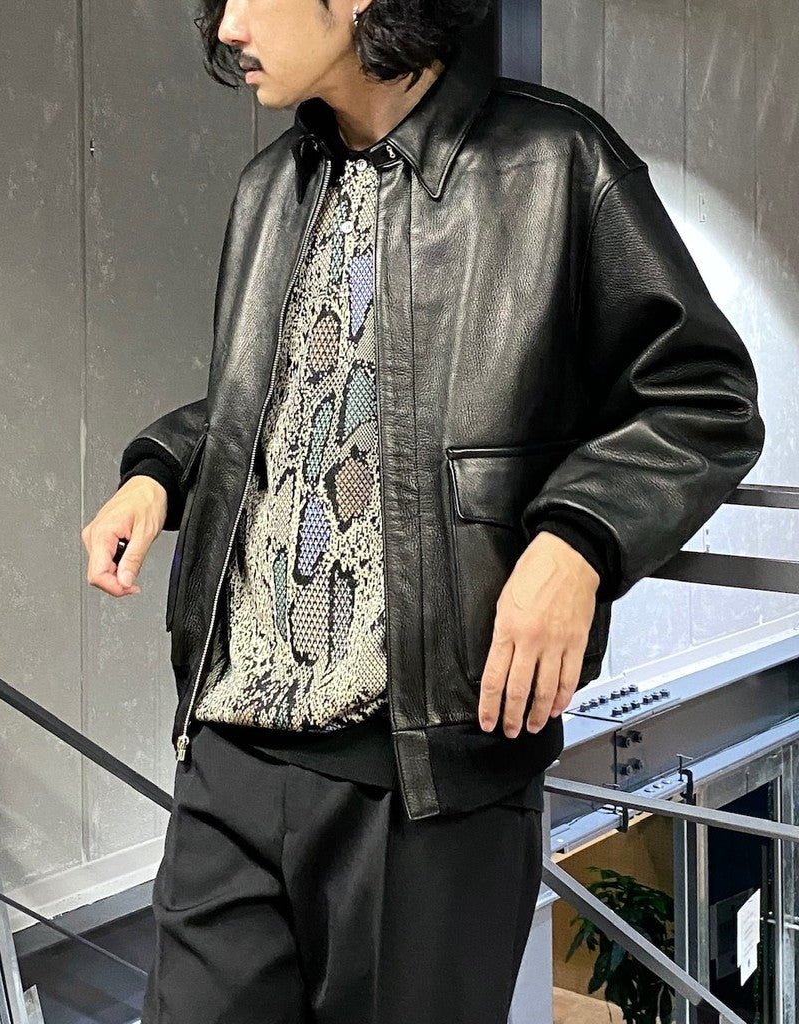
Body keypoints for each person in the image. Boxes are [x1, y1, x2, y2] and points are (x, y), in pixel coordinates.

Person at [80, 0, 765, 1020]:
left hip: (427, 777)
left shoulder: (553, 164)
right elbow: (284, 401)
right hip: (229, 752)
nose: (227, 27)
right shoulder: (270, 186)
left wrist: (577, 539)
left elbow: (702, 399)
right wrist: (161, 470)